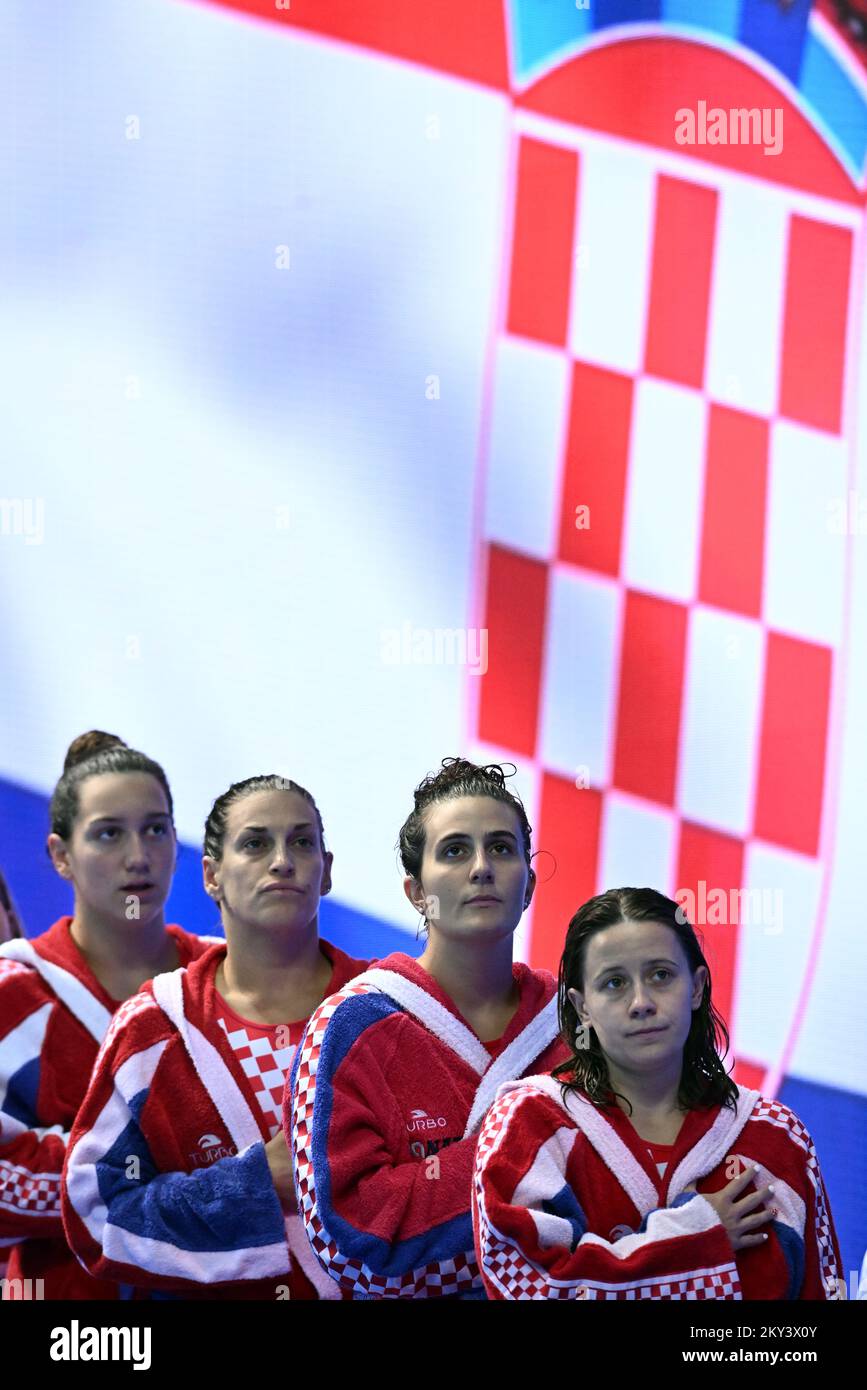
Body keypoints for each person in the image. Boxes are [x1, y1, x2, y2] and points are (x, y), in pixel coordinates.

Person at [62, 773, 369, 1299]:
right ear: (211, 875)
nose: (282, 860)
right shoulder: (153, 1027)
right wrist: (254, 1185)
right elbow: (96, 1209)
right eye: (255, 843)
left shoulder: (388, 1008)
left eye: (302, 841)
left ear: (327, 872)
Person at [472, 887, 844, 1300]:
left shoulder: (776, 1137)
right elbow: (532, 1291)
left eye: (661, 975)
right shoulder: (528, 1124)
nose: (641, 1002)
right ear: (583, 1009)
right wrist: (692, 1237)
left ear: (698, 987)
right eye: (614, 983)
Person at [289, 757, 568, 1299]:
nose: (481, 867)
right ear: (416, 891)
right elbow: (352, 1244)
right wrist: (531, 1162)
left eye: (501, 848)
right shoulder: (350, 1026)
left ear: (529, 884)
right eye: (455, 850)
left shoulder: (578, 1025)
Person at [0, 731, 213, 1299]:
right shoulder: (12, 991)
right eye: (108, 834)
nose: (138, 856)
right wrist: (192, 1174)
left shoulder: (230, 977)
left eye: (155, 828)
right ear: (60, 855)